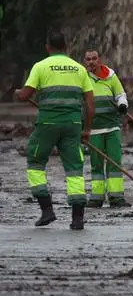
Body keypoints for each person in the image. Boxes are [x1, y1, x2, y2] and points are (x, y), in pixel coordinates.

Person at [14, 31, 94, 230]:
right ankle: (77, 218)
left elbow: (25, 96)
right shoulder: (79, 69)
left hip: (48, 125)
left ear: (47, 46)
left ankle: (47, 210)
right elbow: (90, 106)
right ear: (66, 46)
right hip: (73, 126)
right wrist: (87, 130)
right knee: (75, 169)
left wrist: (18, 93)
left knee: (35, 162)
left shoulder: (40, 66)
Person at [83, 50, 130, 208]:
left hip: (112, 127)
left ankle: (116, 198)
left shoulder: (110, 76)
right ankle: (97, 198)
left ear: (99, 60)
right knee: (96, 164)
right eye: (88, 59)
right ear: (85, 61)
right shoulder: (82, 78)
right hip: (94, 129)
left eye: (94, 59)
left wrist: (122, 105)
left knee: (115, 163)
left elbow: (120, 93)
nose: (92, 62)